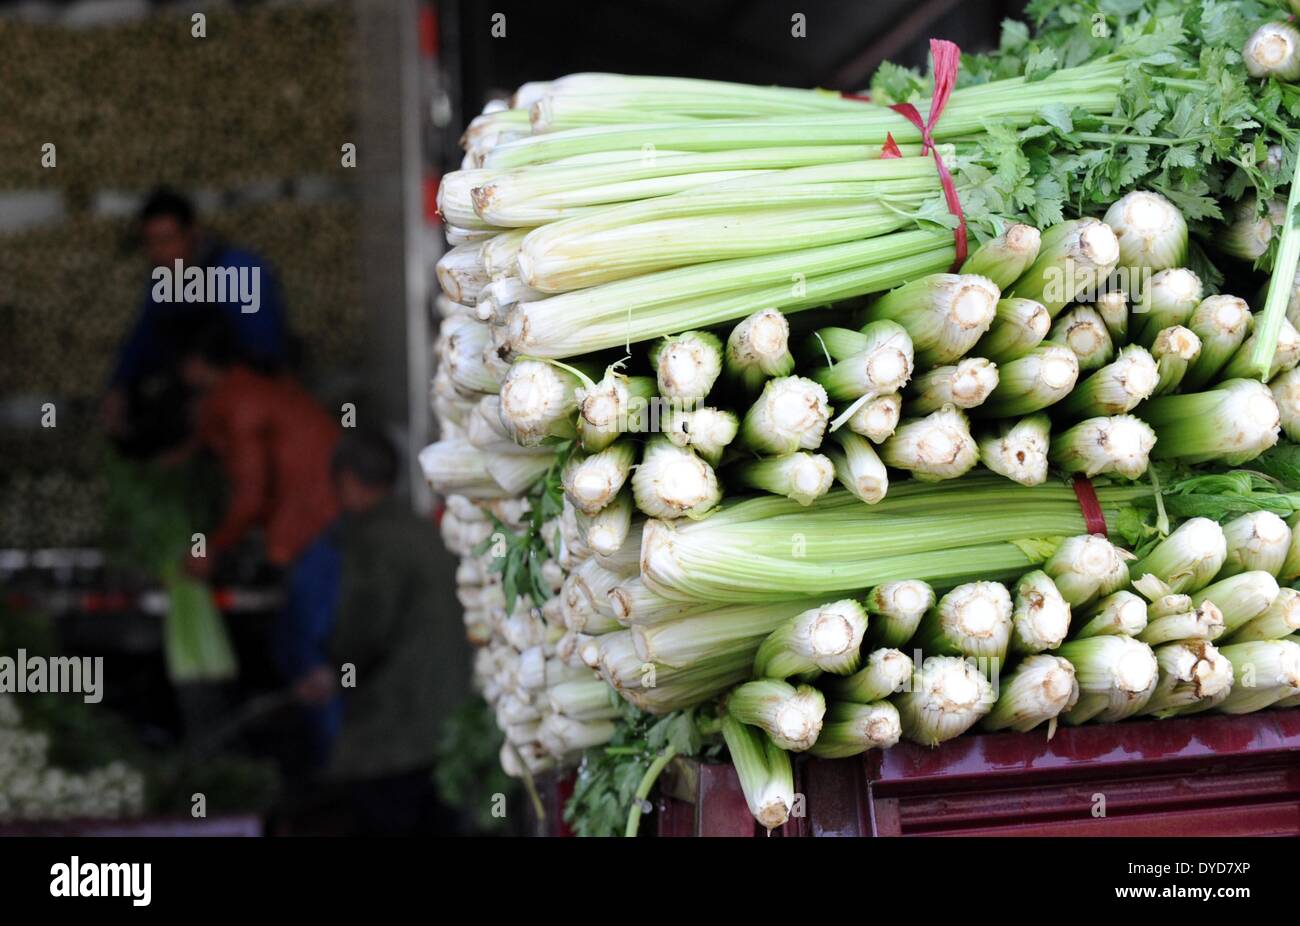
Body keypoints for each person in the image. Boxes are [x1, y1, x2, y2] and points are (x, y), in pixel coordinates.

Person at [294, 429, 457, 836]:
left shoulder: (372, 538)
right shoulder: (420, 529)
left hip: (400, 726)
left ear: (347, 481)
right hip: (442, 718)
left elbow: (365, 628)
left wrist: (334, 671)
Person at [102, 187, 292, 455]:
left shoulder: (237, 272)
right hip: (196, 385)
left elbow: (267, 358)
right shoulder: (165, 277)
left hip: (249, 389)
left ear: (194, 235)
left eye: (167, 240)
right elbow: (145, 334)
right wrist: (119, 386)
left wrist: (216, 388)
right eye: (151, 243)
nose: (158, 253)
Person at [174, 319, 339, 578]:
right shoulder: (250, 386)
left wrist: (209, 548)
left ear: (196, 364)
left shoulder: (239, 404)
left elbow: (251, 496)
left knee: (284, 558)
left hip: (314, 507)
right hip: (324, 499)